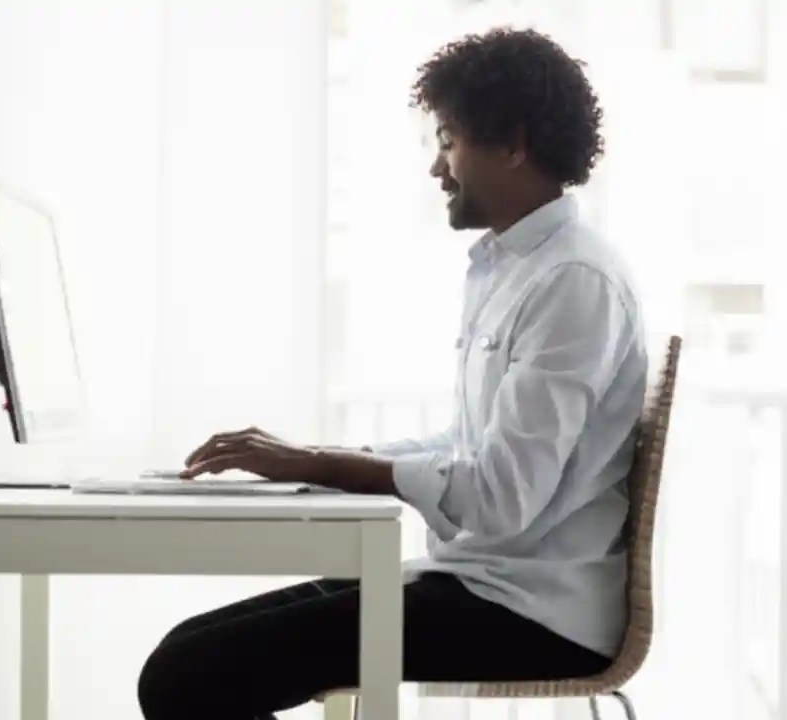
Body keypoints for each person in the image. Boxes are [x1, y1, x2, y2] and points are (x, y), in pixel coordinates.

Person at [137, 27, 648, 720]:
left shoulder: (573, 281)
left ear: (514, 144)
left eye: (448, 140)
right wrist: (320, 459)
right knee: (186, 654)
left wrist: (328, 464)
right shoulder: (518, 270)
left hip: (535, 612)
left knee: (188, 676)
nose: (438, 167)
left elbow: (500, 497)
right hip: (482, 582)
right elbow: (471, 446)